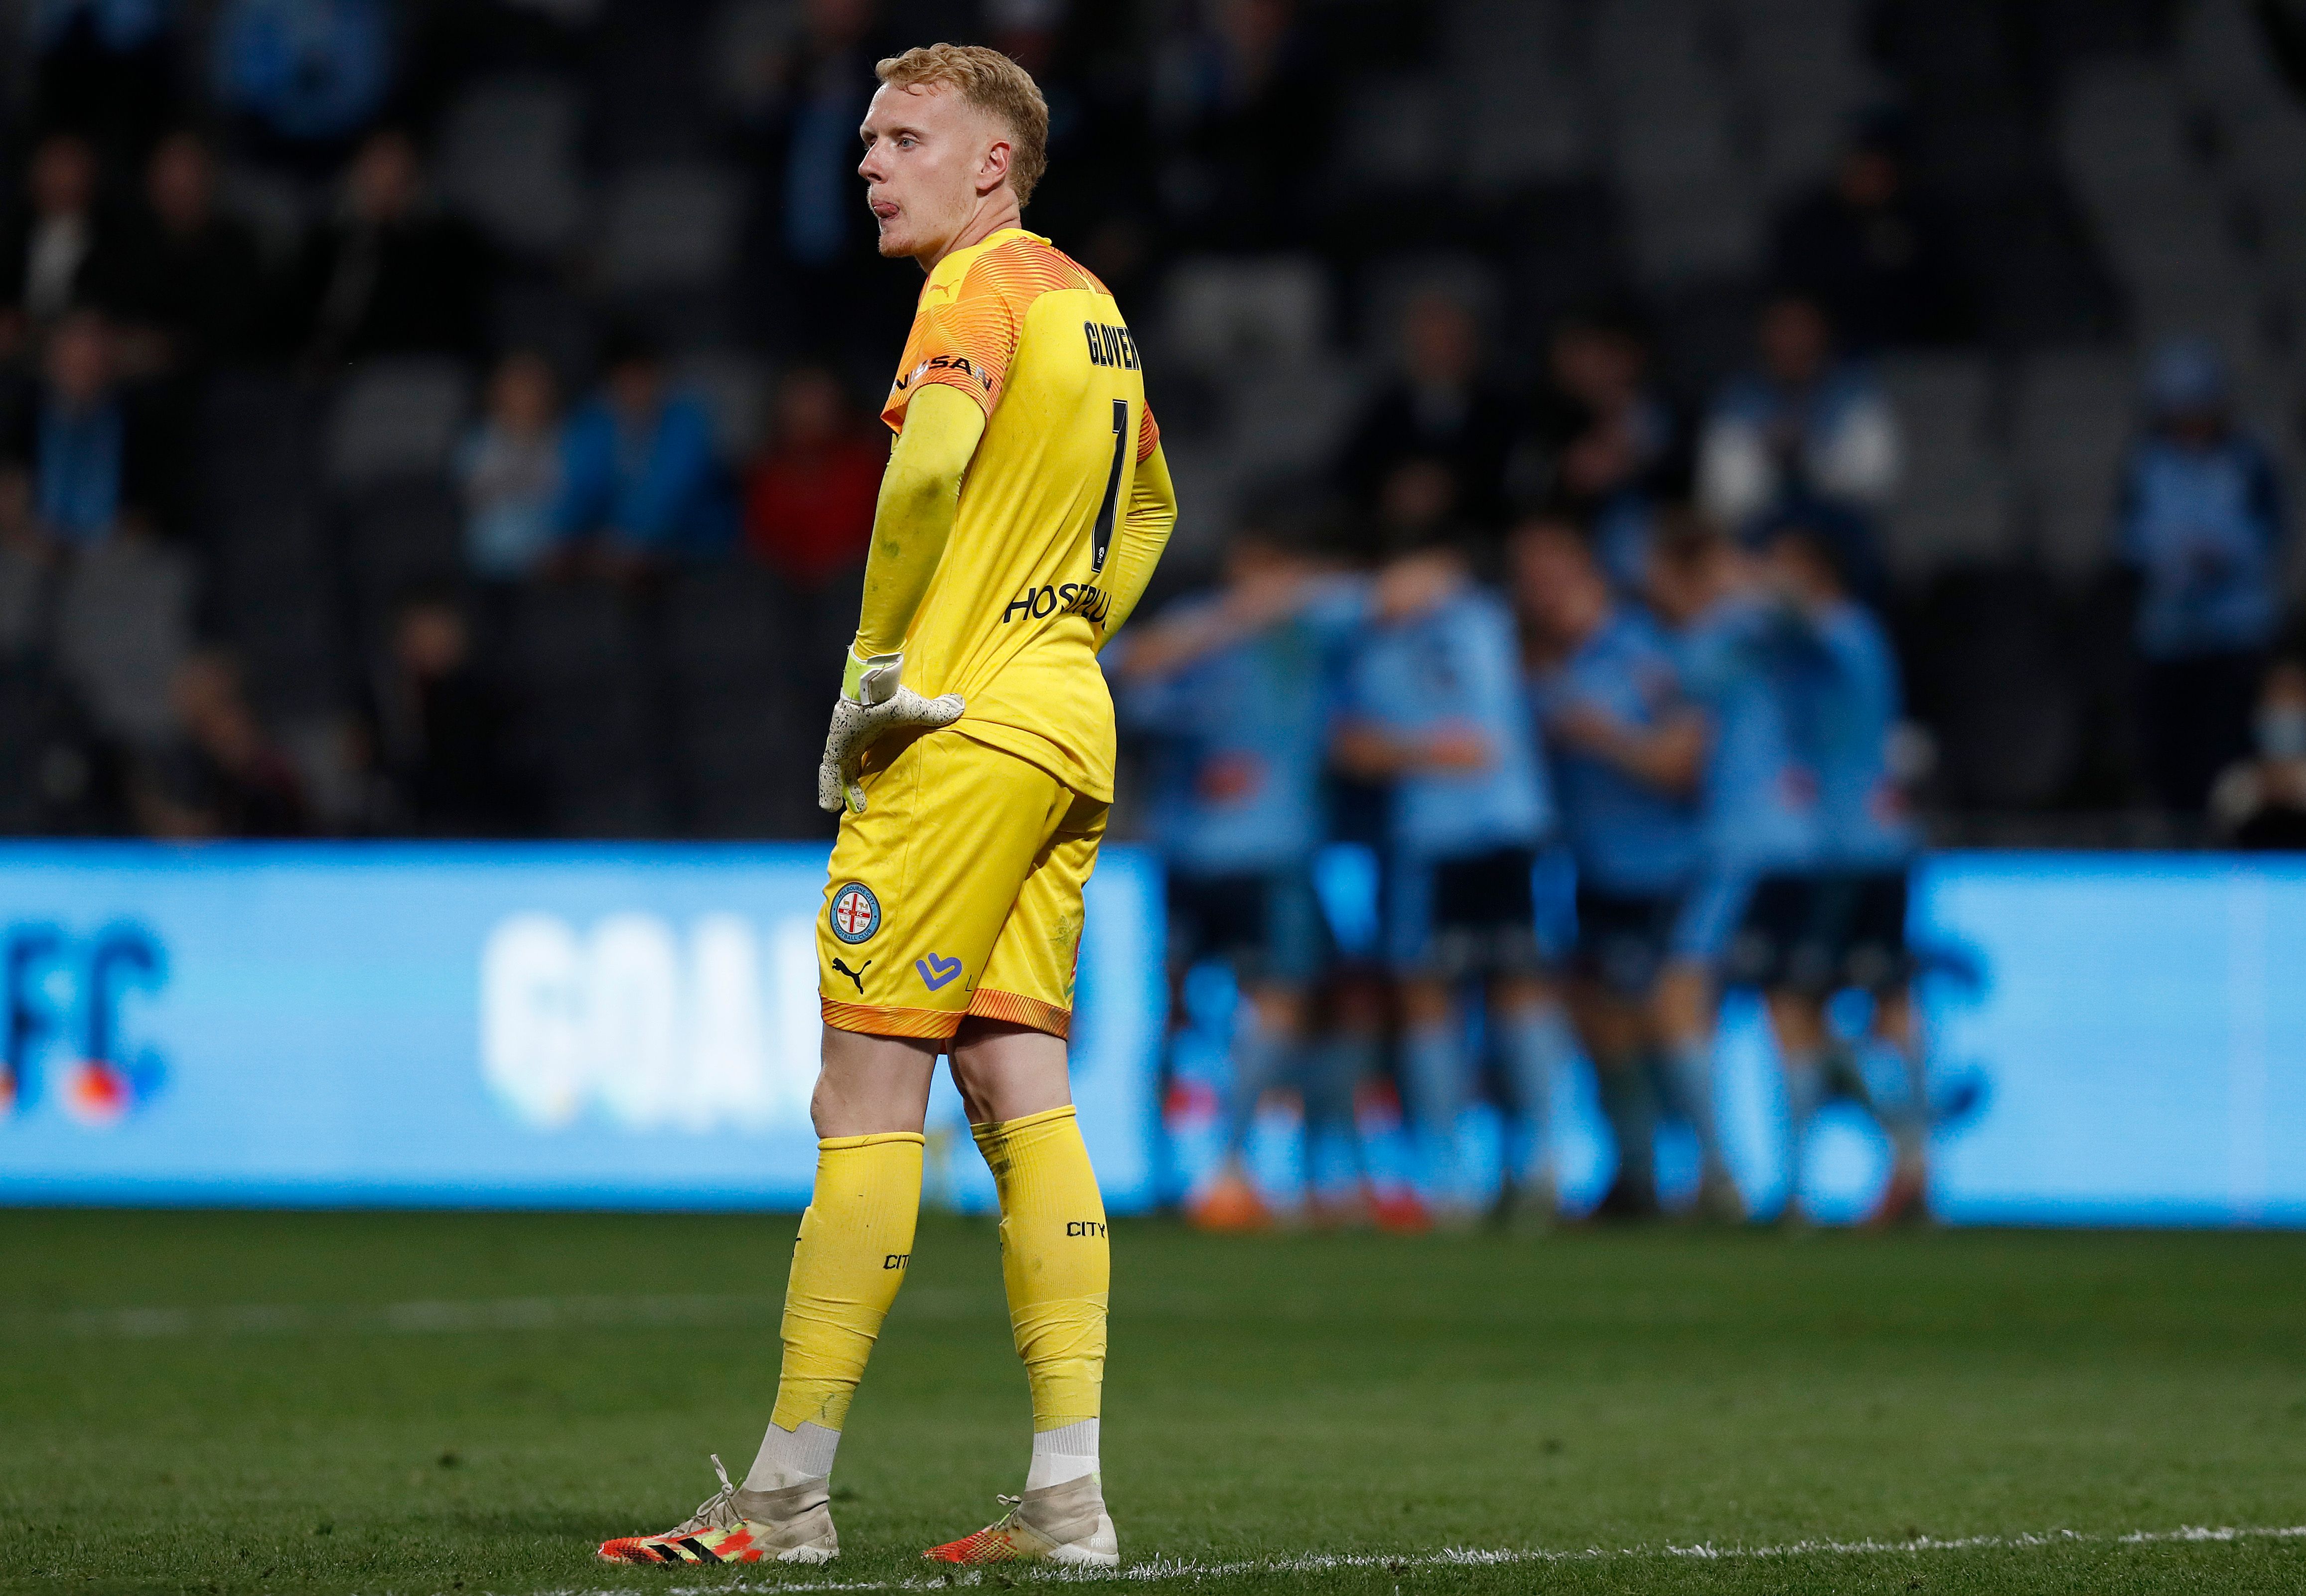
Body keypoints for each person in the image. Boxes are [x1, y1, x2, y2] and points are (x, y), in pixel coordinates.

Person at [599, 43, 1174, 1570]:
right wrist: (1061, 636)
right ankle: (1068, 1494)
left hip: (959, 721)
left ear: (994, 163)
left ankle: (785, 1498)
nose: (868, 160)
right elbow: (1155, 508)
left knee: (861, 1095)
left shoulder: (971, 291)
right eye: (865, 138)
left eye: (904, 137)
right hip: (1063, 721)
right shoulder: (1094, 307)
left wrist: (875, 670)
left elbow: (922, 477)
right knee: (1019, 1083)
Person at [1110, 524, 1369, 1230]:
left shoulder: (1314, 620)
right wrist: (1230, 620)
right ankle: (1165, 1167)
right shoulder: (1205, 626)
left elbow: (1383, 597)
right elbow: (1123, 667)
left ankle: (1234, 1162)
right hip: (1194, 850)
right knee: (1179, 1007)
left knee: (1286, 999)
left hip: (1275, 850)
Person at [1331, 537, 1577, 1224]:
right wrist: (1421, 751)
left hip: (1507, 828)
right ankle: (1451, 1177)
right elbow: (1349, 746)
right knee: (1428, 994)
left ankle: (1546, 1164)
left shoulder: (1485, 618)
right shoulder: (1367, 644)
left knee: (1519, 989)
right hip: (1427, 839)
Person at [1514, 518, 1736, 1220]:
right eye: (1530, 580)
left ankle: (1719, 1177)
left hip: (1673, 868)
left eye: (1555, 576)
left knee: (1674, 1015)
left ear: (1591, 577)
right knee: (1600, 1023)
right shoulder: (1533, 664)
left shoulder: (1648, 653)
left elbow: (1683, 764)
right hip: (1593, 870)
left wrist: (1601, 736)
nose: (1542, 593)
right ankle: (1635, 1174)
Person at [1753, 509, 1931, 1224]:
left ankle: (1897, 1159)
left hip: (1853, 848)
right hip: (1839, 846)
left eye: (1781, 564)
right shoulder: (1804, 642)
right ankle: (1896, 1159)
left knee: (1831, 1001)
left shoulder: (1845, 631)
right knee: (1826, 1002)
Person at [1647, 523, 1825, 1220]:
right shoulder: (1761, 631)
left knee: (1682, 996)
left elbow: (1679, 714)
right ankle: (1798, 1186)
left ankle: (1723, 1170)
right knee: (1787, 1002)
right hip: (1792, 837)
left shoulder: (1728, 630)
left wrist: (1740, 583)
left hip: (1750, 842)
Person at [2117, 339, 2287, 813]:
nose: (2189, 421)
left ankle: (2236, 843)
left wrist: (2225, 557)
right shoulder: (2148, 461)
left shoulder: (2249, 459)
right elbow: (2128, 536)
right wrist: (2171, 558)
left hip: (2236, 635)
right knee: (2171, 753)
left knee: (2231, 756)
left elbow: (2272, 532)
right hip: (2169, 634)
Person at [1695, 293, 1897, 597]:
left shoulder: (1854, 389)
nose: (1792, 340)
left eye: (1802, 328)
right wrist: (1770, 456)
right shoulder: (1739, 399)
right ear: (1764, 336)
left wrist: (1810, 454)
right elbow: (1721, 498)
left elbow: (1878, 479)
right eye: (1782, 329)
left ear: (1823, 332)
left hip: (1842, 546)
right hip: (1764, 543)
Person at [292, 129, 490, 369]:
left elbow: (435, 330)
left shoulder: (443, 248)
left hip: (388, 373)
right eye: (378, 165)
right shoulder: (323, 242)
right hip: (307, 369)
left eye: (400, 170)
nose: (387, 178)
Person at [1768, 119, 1968, 352]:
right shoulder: (1808, 222)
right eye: (1863, 170)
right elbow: (1791, 298)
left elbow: (1945, 299)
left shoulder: (1923, 223)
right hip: (1828, 356)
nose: (1869, 182)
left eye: (1879, 173)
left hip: (1908, 353)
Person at [1520, 310, 1679, 595]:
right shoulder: (1550, 419)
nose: (1592, 366)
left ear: (1633, 356)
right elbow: (1530, 493)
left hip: (1654, 553)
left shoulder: (1667, 415)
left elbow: (1685, 487)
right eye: (1579, 354)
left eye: (1605, 355)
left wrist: (1633, 461)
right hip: (1575, 555)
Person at [1336, 289, 1520, 534]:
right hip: (1390, 541)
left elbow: (1516, 477)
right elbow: (1350, 474)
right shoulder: (1386, 408)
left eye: (1449, 341)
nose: (1439, 354)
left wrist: (1450, 487)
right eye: (1428, 343)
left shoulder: (1506, 409)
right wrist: (1395, 487)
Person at [555, 330, 730, 572]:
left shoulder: (689, 419)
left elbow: (675, 493)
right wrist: (560, 537)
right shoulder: (592, 421)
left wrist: (621, 542)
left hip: (690, 549)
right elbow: (580, 491)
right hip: (610, 556)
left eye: (643, 378)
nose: (635, 389)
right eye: (625, 380)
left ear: (660, 377)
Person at [110, 131, 268, 374]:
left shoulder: (235, 248)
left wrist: (170, 348)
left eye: (187, 172)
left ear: (209, 178)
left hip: (209, 379)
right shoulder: (129, 241)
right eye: (168, 172)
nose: (177, 184)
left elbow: (235, 332)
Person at [0, 134, 127, 355]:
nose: (62, 179)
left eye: (71, 167)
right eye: (53, 166)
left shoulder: (115, 242)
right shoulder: (12, 235)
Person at [457, 351, 565, 580]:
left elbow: (566, 498)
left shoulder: (564, 442)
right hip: (486, 566)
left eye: (534, 388)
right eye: (517, 388)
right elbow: (472, 496)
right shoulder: (477, 443)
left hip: (550, 567)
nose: (525, 397)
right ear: (496, 392)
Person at [2209, 648, 2306, 849]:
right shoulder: (2235, 781)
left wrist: (2294, 787)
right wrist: (2264, 789)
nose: (2285, 709)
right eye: (2277, 697)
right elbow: (2223, 819)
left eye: (2294, 696)